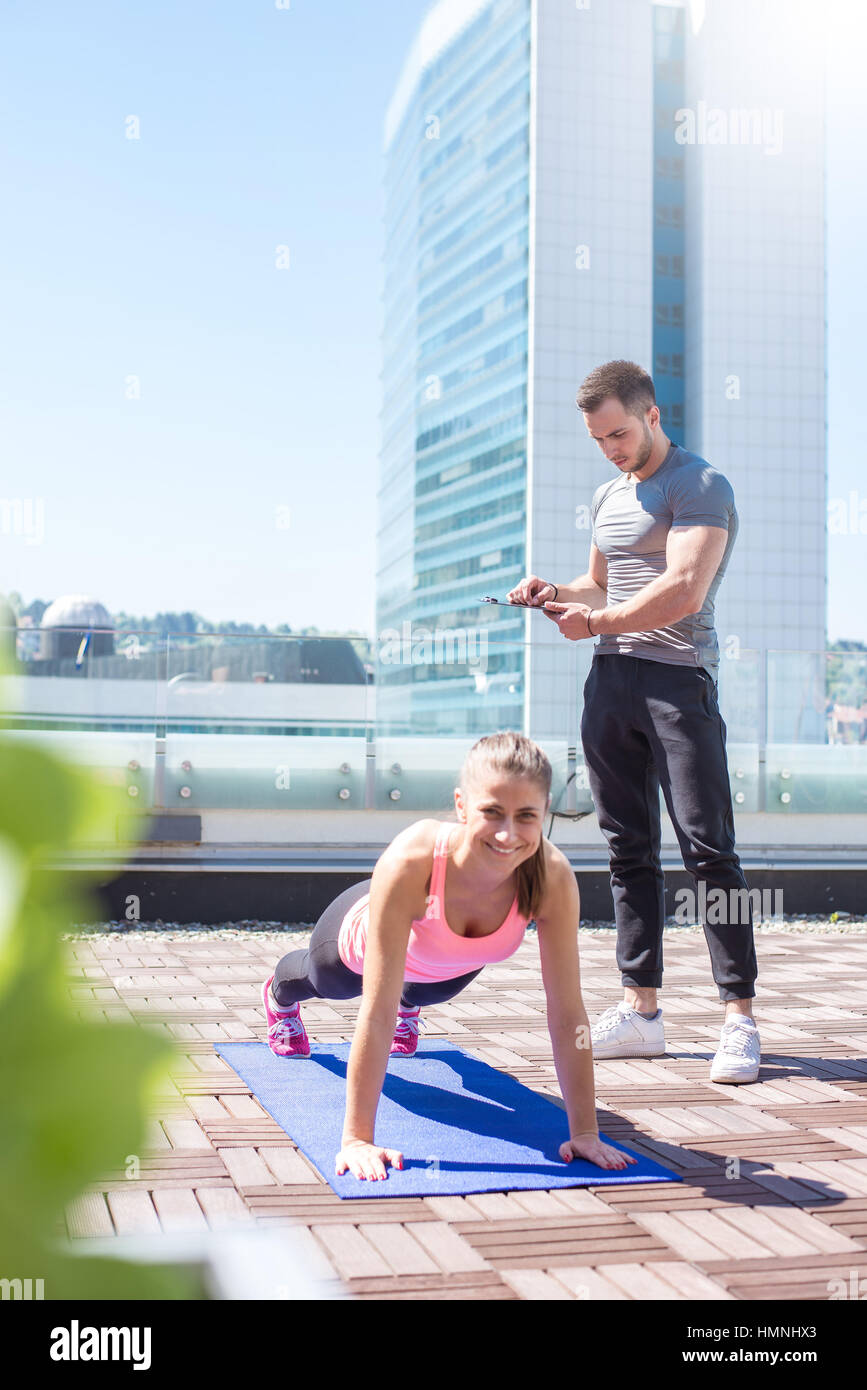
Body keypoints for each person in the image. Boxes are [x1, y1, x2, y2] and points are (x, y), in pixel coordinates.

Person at [509, 359, 761, 1085]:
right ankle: (641, 1011)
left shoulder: (699, 484)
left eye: (618, 433)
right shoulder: (606, 495)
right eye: (597, 439)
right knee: (626, 848)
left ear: (651, 414)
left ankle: (738, 1018)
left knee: (707, 850)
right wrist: (554, 591)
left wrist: (595, 621)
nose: (611, 449)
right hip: (610, 681)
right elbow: (599, 580)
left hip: (677, 683)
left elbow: (682, 588)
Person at [261, 732, 637, 1181]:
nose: (507, 834)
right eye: (491, 812)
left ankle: (412, 1002)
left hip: (444, 965)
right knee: (329, 983)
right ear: (461, 805)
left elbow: (567, 1014)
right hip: (356, 942)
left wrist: (586, 1131)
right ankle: (279, 995)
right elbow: (376, 1012)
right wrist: (357, 1140)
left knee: (432, 989)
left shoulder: (551, 876)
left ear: (544, 814)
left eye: (526, 817)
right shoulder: (415, 858)